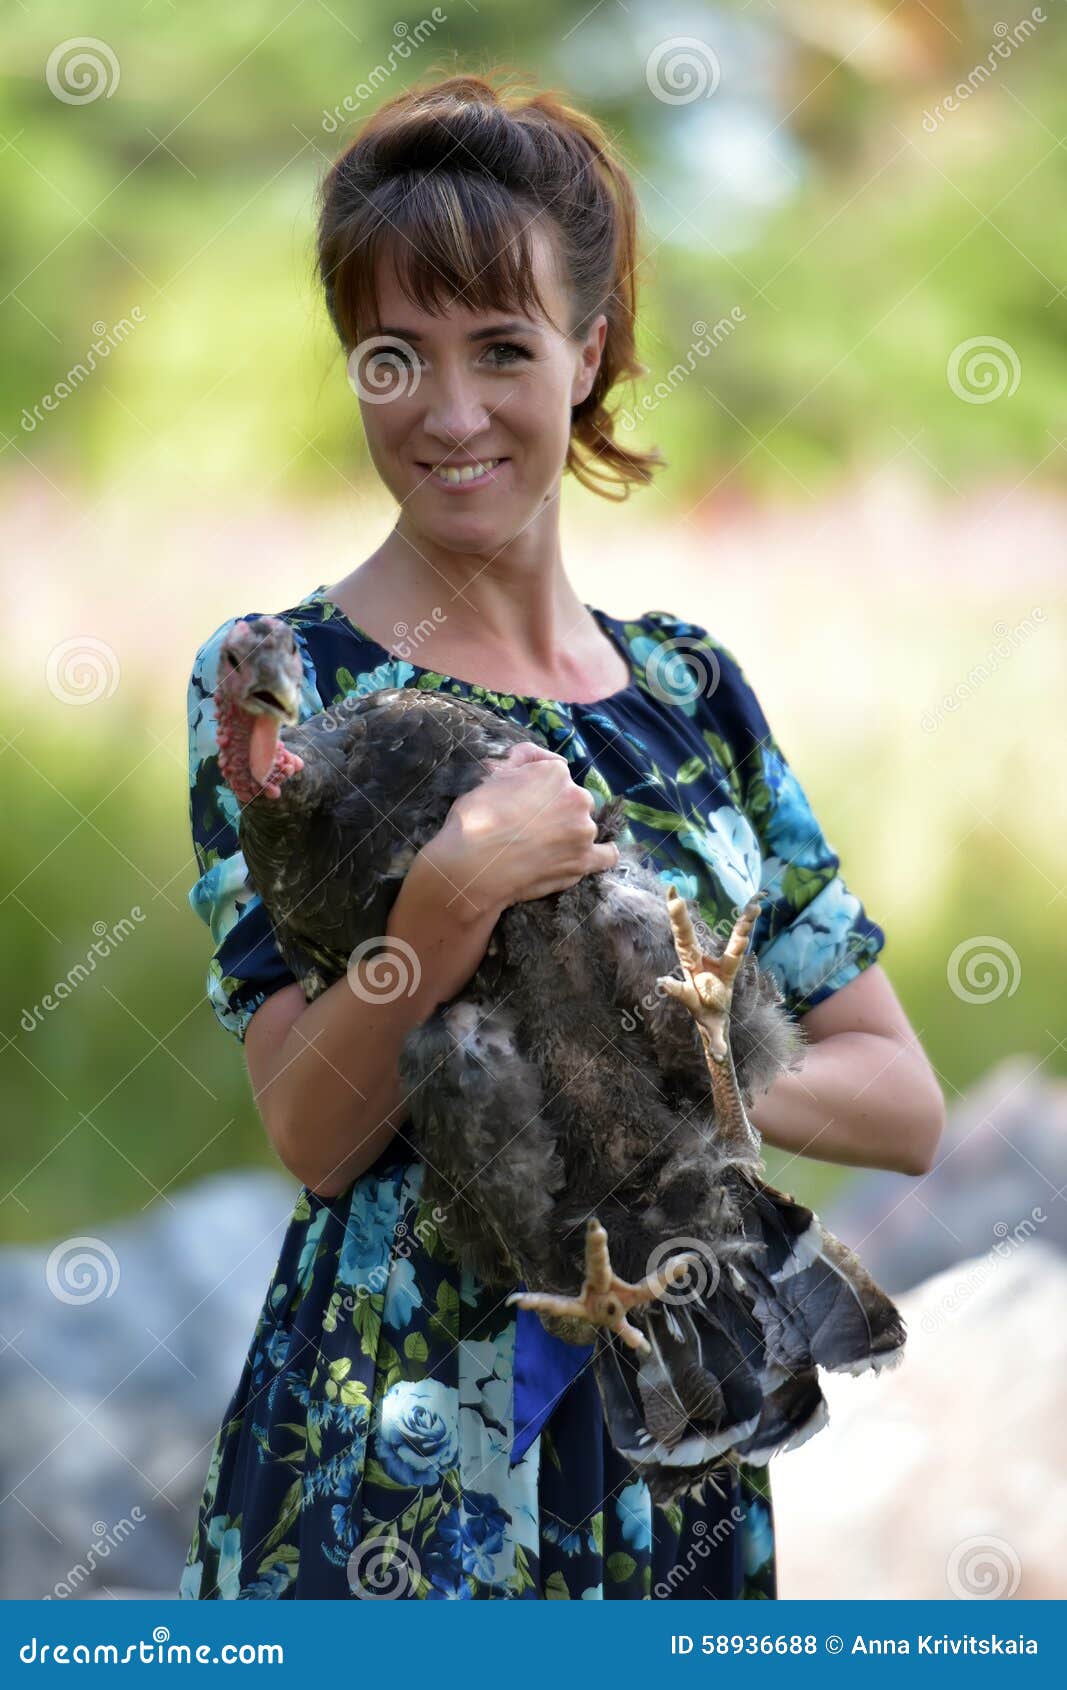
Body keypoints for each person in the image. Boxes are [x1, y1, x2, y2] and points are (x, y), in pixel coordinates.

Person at [179, 72, 944, 1601]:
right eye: (396, 358)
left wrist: (674, 1065)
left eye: (503, 350)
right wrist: (449, 900)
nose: (450, 414)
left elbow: (903, 1104)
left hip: (678, 1421)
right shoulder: (287, 686)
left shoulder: (691, 693)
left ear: (587, 354)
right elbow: (310, 1132)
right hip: (397, 1441)